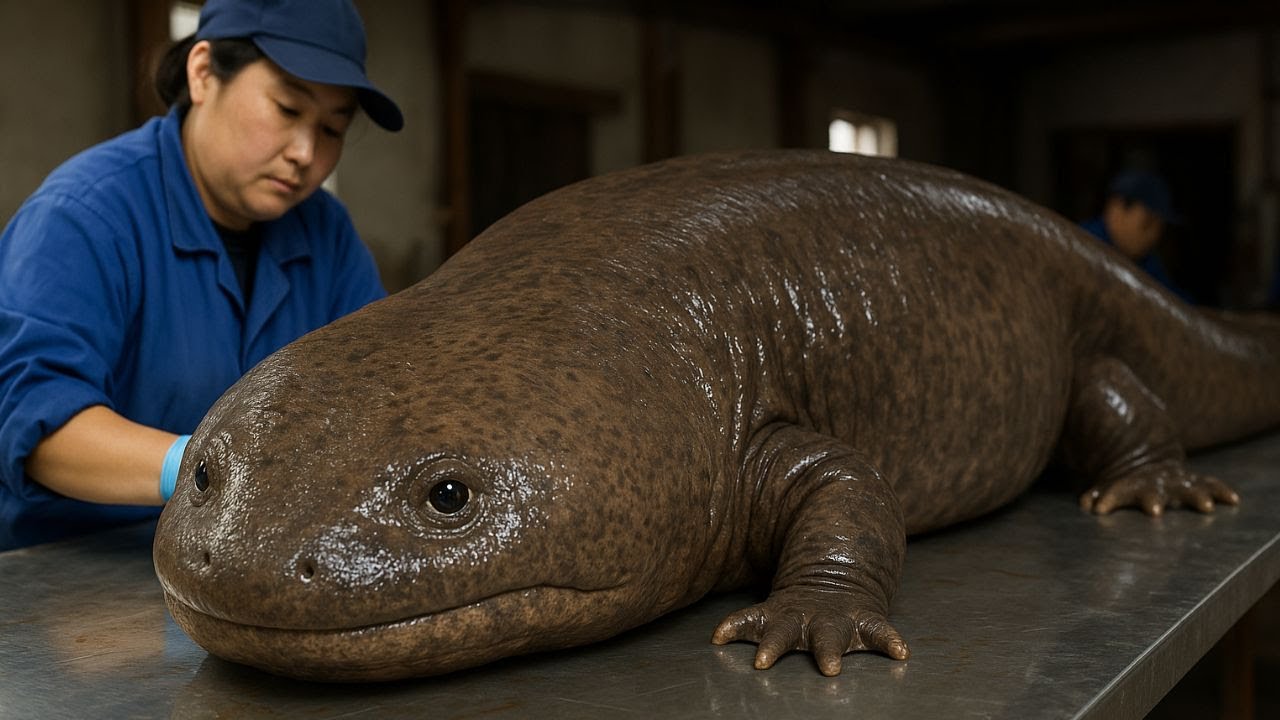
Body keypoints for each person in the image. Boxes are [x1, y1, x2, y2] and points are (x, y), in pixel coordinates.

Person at [0, 0, 403, 550]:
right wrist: (204, 469)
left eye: (332, 128)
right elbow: (40, 427)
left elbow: (385, 387)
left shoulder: (325, 235)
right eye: (287, 109)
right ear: (202, 73)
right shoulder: (85, 215)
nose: (306, 153)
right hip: (71, 574)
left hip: (254, 555)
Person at [1080, 169, 1190, 301]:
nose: (1154, 236)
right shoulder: (1082, 246)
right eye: (1147, 223)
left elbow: (1176, 302)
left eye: (1160, 229)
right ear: (1116, 209)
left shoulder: (1146, 261)